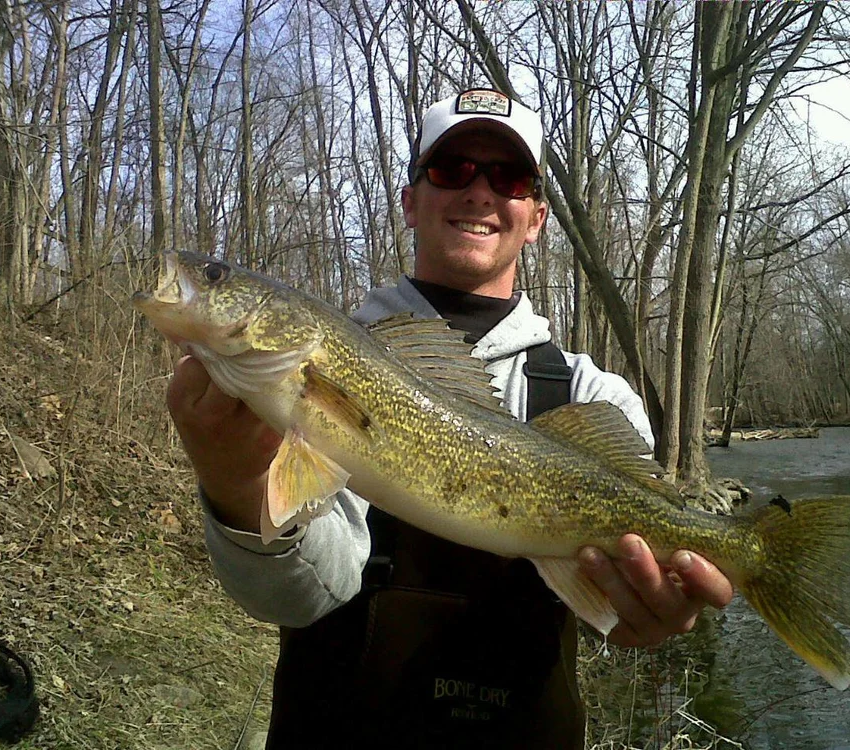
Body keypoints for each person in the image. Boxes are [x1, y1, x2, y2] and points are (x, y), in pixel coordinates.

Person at [166, 89, 733, 749]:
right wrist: (237, 485)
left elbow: (612, 606)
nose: (479, 191)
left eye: (509, 177)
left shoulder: (594, 396)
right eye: (452, 168)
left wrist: (643, 609)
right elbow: (294, 598)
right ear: (411, 202)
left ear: (536, 217)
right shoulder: (317, 371)